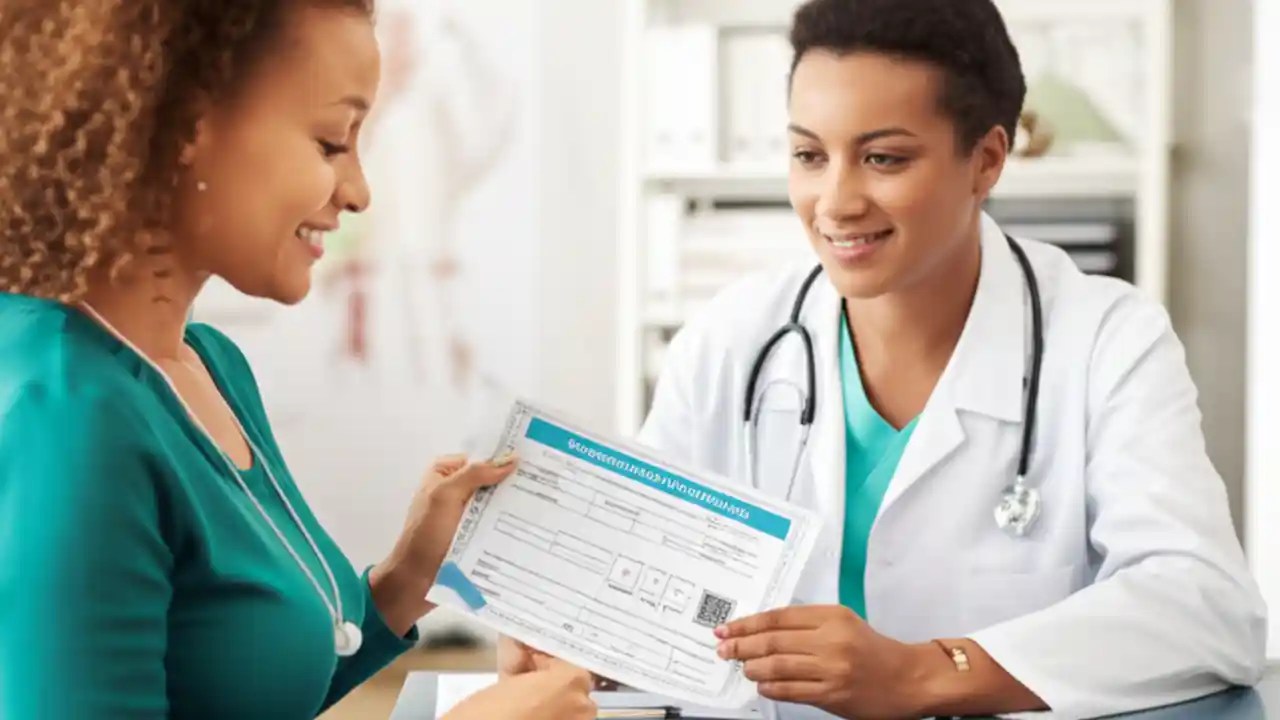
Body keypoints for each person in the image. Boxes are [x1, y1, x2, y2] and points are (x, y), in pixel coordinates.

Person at [503, 0, 1267, 718]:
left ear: (988, 159)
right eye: (809, 154)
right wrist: (579, 626)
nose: (834, 201)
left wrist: (923, 672)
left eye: (884, 159)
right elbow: (645, 568)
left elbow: (1206, 608)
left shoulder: (1106, 339)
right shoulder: (734, 336)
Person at [0, 2, 595, 719]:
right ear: (186, 123)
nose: (359, 191)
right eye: (331, 142)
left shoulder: (210, 369)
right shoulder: (68, 418)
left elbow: (249, 690)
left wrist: (407, 578)